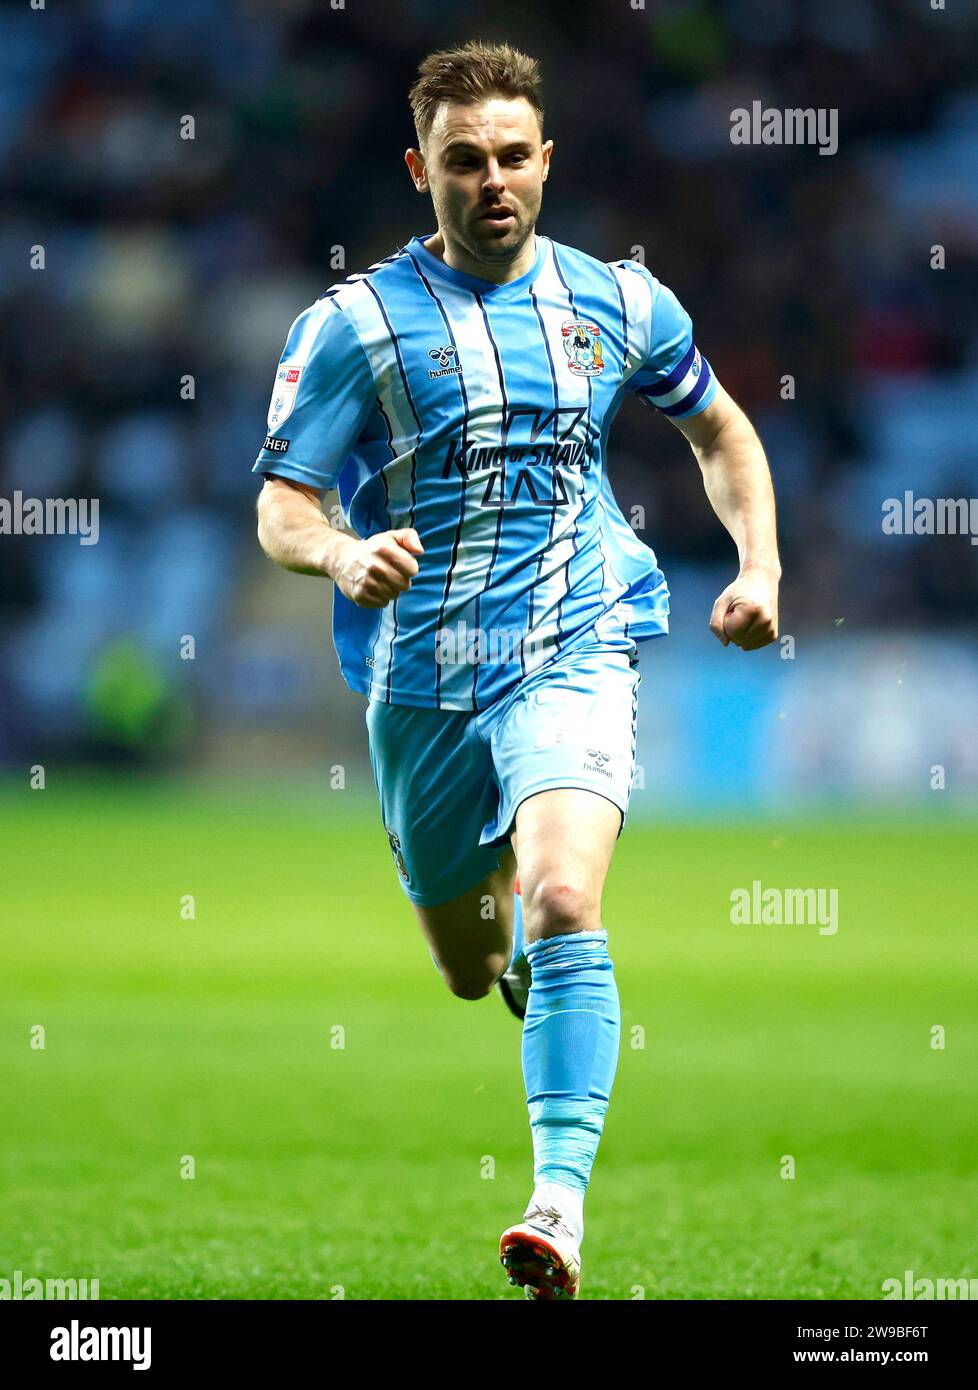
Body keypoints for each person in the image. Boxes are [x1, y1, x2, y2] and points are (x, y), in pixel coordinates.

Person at [253, 40, 780, 1300]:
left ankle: (557, 1204)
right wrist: (338, 552)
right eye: (463, 161)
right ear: (418, 169)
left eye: (512, 157)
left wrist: (759, 563)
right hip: (422, 676)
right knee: (470, 960)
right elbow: (281, 503)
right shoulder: (353, 327)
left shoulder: (617, 301)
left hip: (574, 641)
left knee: (558, 897)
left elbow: (721, 429)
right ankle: (517, 965)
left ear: (548, 161)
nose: (492, 181)